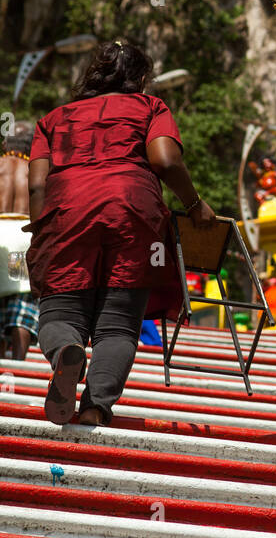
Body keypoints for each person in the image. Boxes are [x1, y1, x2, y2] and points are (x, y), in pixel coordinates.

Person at [27, 40, 216, 427]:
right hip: (134, 211)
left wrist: (42, 236)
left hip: (67, 210)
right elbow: (165, 159)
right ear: (141, 78)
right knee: (117, 323)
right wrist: (196, 204)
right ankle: (96, 408)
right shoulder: (150, 107)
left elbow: (36, 186)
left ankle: (67, 349)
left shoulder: (54, 119)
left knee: (59, 312)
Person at [0, 125, 38, 361]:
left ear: (5, 144)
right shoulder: (34, 170)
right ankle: (19, 365)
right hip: (22, 238)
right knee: (20, 302)